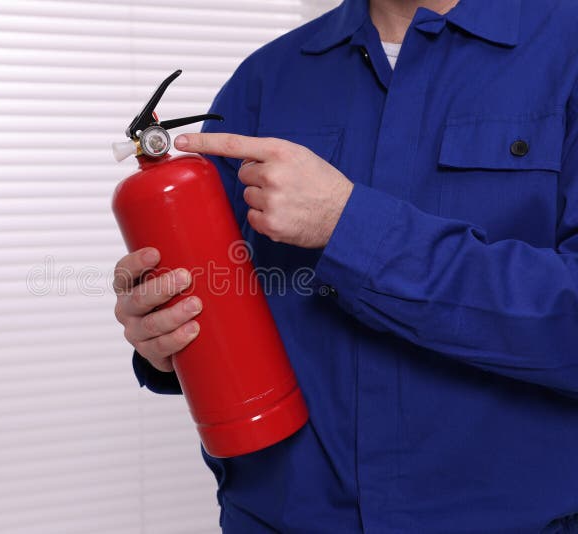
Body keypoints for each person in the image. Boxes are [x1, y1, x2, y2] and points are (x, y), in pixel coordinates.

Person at [112, 0, 578, 531]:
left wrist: (349, 226)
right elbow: (222, 301)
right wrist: (163, 337)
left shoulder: (566, 49)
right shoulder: (267, 78)